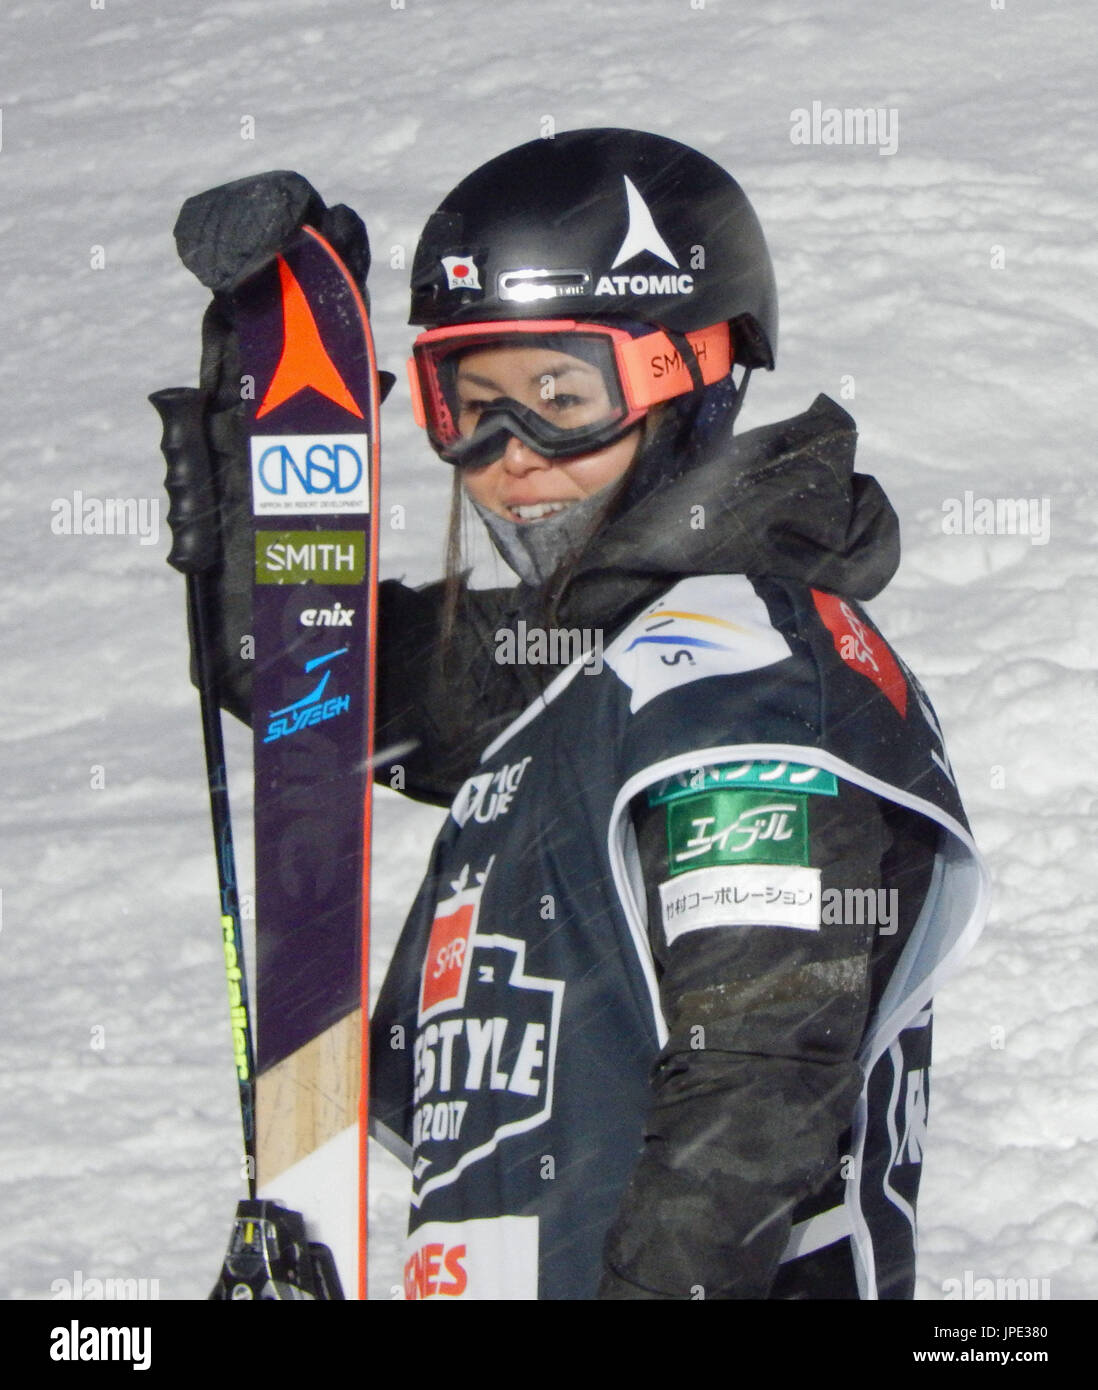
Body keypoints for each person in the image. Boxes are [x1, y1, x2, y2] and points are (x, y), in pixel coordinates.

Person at [368, 128, 990, 1301]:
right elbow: (361, 699)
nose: (510, 457)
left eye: (562, 395)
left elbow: (754, 1078)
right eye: (470, 404)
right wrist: (266, 466)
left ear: (688, 376)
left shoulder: (739, 662)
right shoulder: (605, 661)